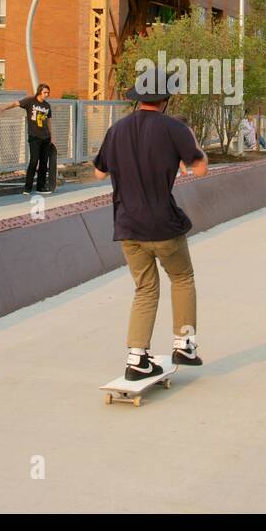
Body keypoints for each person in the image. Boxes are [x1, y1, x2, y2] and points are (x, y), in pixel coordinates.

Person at [94, 84, 209, 380]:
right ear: (165, 100)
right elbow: (199, 169)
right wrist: (193, 142)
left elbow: (99, 172)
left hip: (128, 227)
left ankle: (137, 359)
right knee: (182, 278)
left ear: (137, 100)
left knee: (145, 289)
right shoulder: (174, 128)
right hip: (163, 225)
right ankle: (184, 345)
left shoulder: (117, 129)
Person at [0, 84, 53, 195]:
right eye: (45, 92)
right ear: (40, 92)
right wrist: (3, 108)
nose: (47, 94)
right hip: (34, 137)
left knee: (44, 162)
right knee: (34, 161)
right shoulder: (30, 101)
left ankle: (41, 187)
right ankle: (27, 188)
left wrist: (52, 137)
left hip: (46, 137)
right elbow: (15, 103)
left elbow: (49, 122)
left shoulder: (47, 106)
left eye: (48, 93)